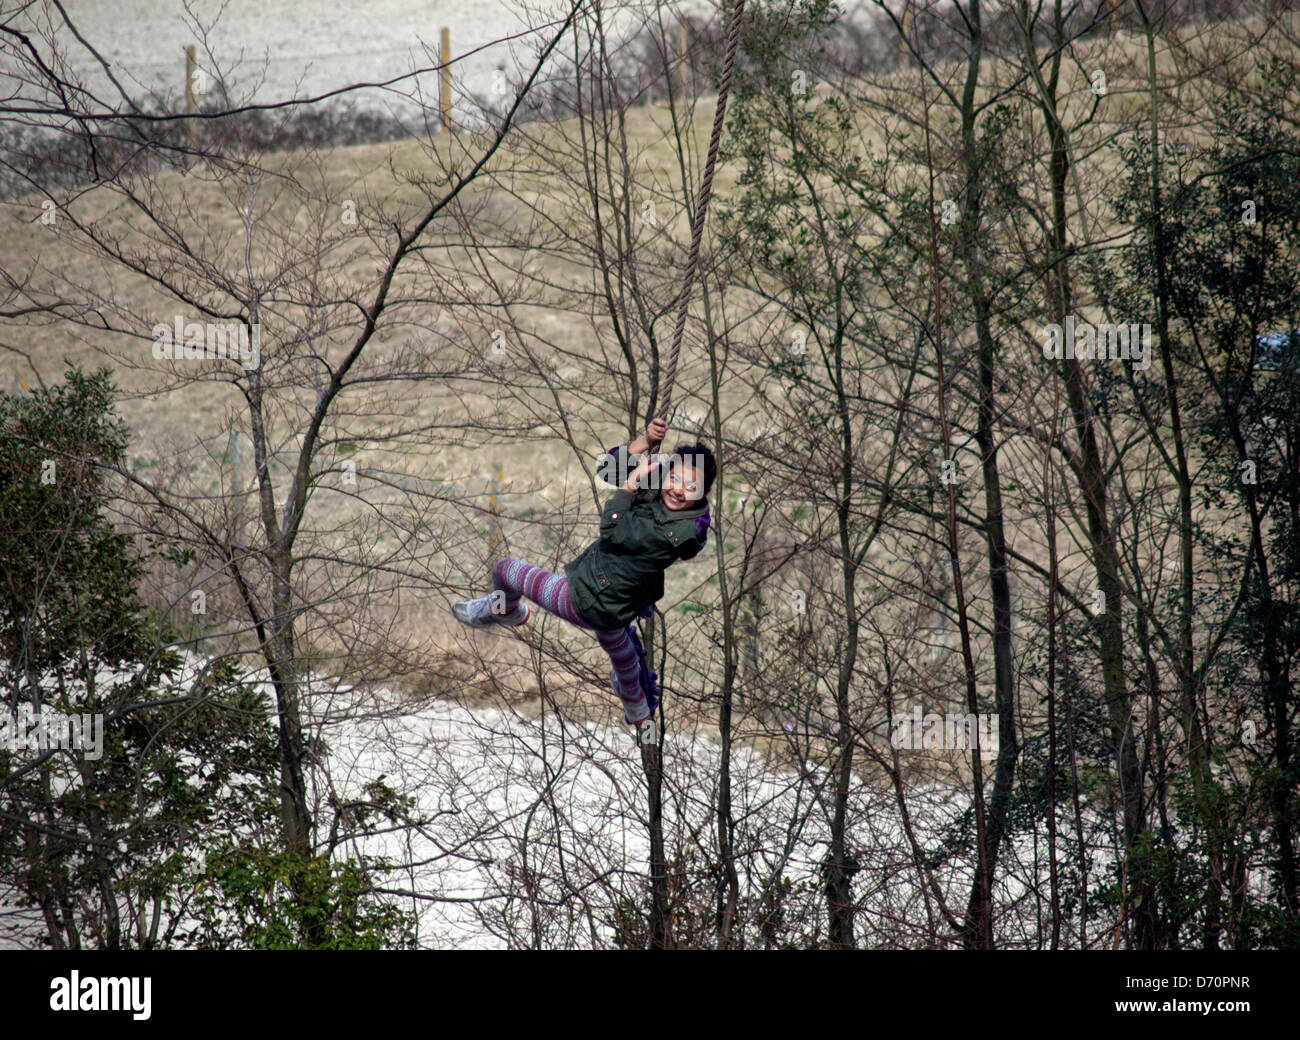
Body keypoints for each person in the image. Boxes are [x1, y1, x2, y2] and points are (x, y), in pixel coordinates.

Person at [452, 418, 716, 727]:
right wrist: (644, 442)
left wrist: (631, 486)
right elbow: (607, 470)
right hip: (618, 606)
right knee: (620, 650)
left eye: (690, 486)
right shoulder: (665, 492)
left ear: (703, 493)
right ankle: (637, 706)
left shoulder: (679, 533)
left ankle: (504, 609)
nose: (678, 490)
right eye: (674, 478)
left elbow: (613, 529)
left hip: (585, 597)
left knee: (505, 570)